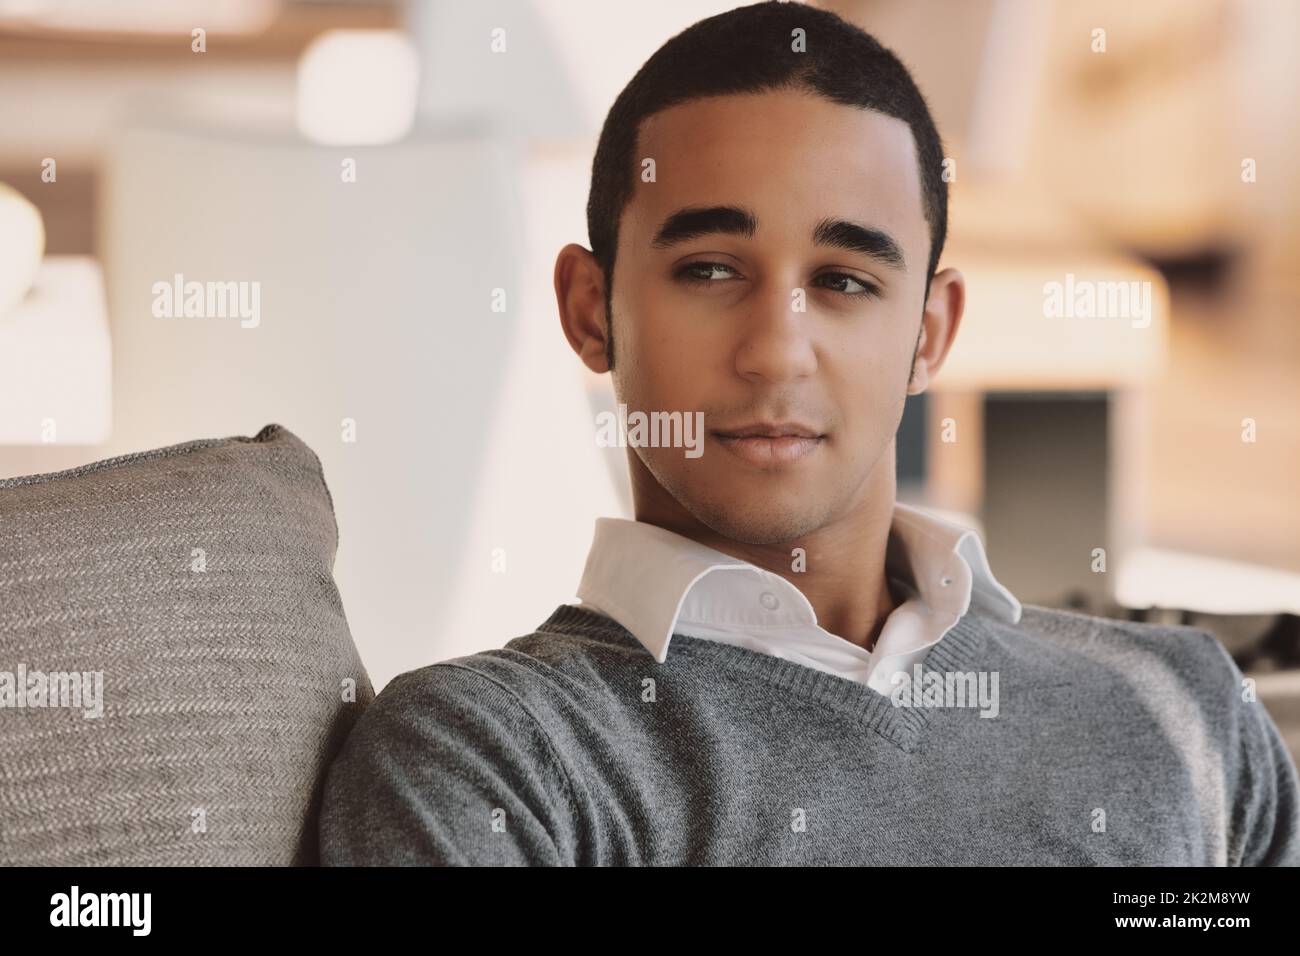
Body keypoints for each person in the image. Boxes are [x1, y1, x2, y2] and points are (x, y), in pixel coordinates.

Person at [319, 0, 1300, 865]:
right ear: (590, 309)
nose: (777, 351)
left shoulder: (1180, 707)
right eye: (708, 268)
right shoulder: (490, 754)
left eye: (843, 281)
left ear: (928, 334)